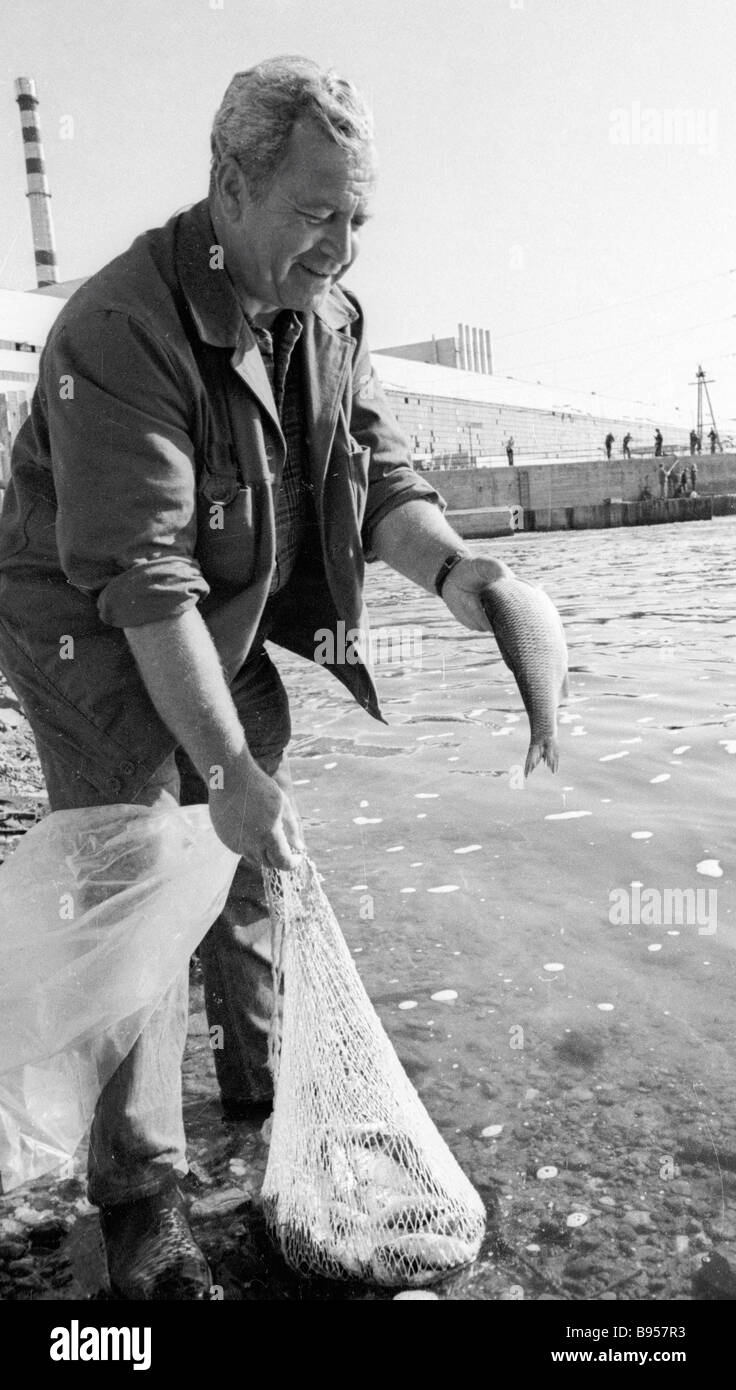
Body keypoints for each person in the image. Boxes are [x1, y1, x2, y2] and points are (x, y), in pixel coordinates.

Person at [0, 57, 518, 1299]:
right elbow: (141, 582)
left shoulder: (324, 312)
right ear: (229, 188)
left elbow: (379, 478)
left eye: (358, 217)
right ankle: (140, 1205)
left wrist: (464, 581)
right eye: (315, 211)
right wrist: (220, 767)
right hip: (85, 622)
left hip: (213, 609)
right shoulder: (120, 326)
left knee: (249, 849)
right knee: (136, 872)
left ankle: (267, 1092)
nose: (340, 244)